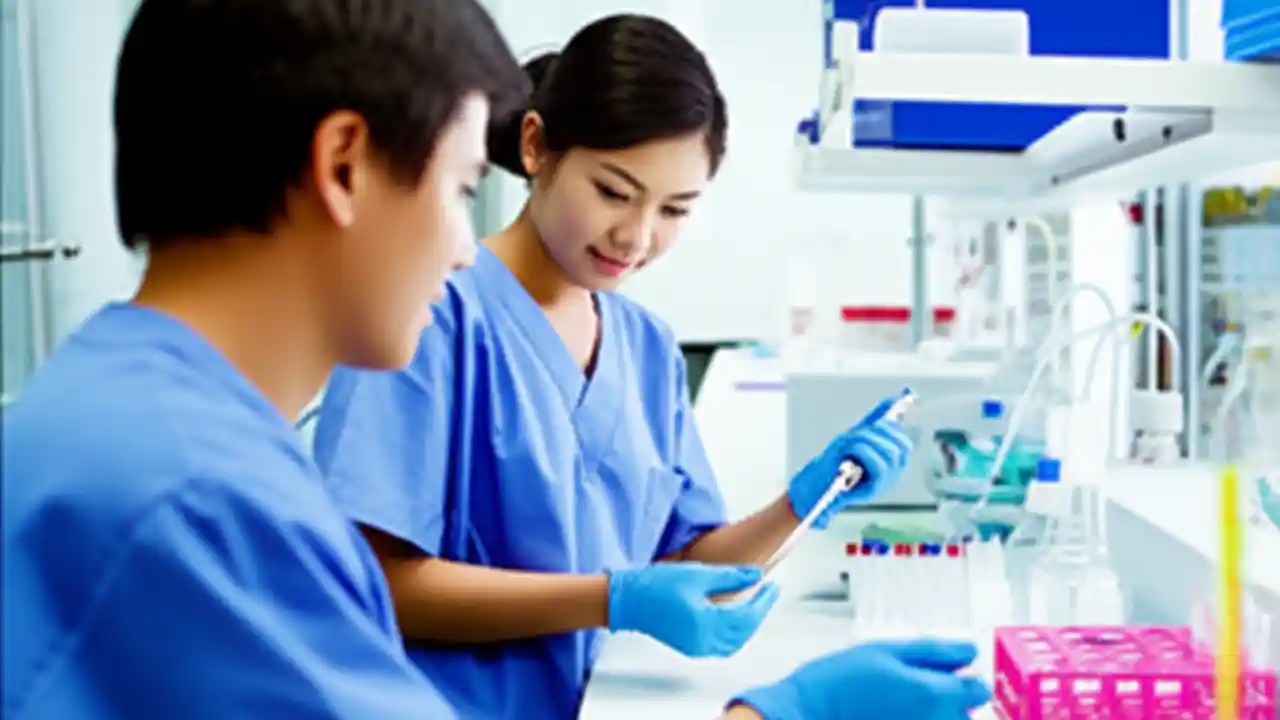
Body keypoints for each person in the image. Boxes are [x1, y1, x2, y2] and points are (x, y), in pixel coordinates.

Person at [312, 13, 959, 720]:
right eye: (614, 193)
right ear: (537, 146)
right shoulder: (429, 315)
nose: (638, 237)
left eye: (675, 209)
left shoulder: (645, 347)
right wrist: (609, 599)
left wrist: (804, 503)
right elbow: (371, 581)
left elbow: (682, 565)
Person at [1, 0, 527, 717]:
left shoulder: (115, 406)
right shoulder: (199, 493)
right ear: (344, 165)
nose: (467, 250)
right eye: (462, 189)